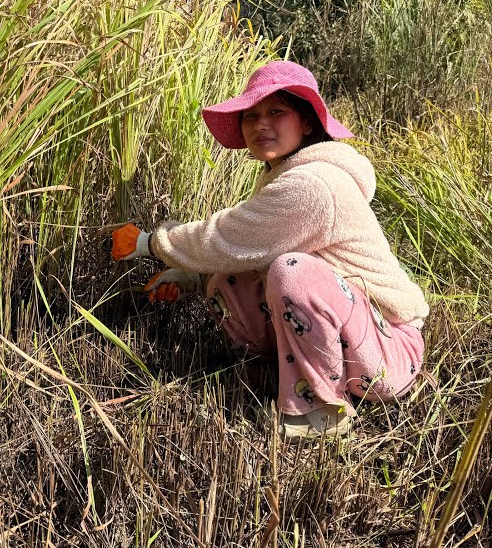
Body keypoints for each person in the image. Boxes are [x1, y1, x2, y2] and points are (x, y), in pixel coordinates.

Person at [110, 61, 428, 440]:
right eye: (251, 115)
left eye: (276, 111)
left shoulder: (313, 186)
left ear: (307, 122)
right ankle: (281, 373)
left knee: (290, 271)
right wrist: (193, 279)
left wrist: (148, 242)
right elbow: (241, 253)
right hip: (356, 344)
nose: (260, 124)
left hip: (388, 355)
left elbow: (224, 237)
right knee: (226, 279)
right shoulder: (289, 175)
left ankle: (321, 413)